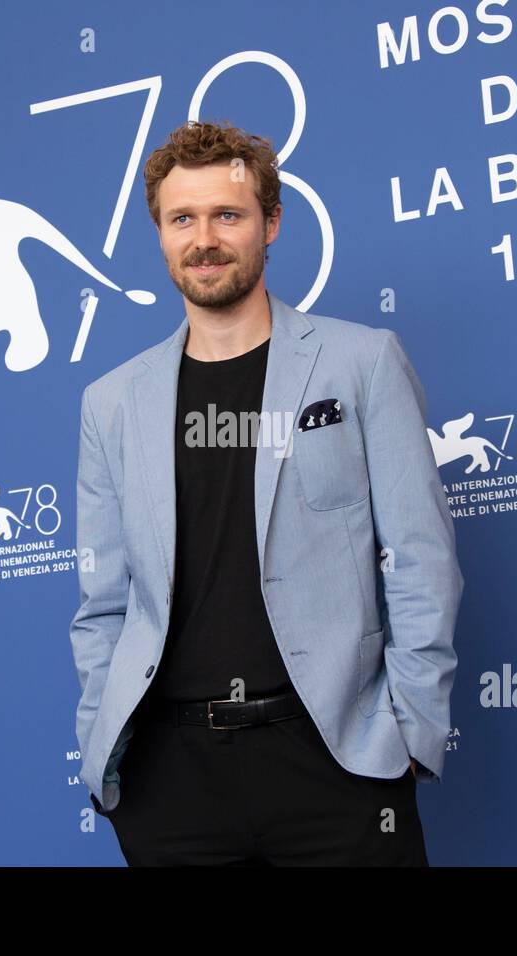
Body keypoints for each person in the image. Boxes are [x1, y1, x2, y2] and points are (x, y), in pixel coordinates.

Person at [69, 119, 464, 865]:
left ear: (271, 222)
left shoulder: (362, 362)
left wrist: (411, 729)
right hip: (170, 782)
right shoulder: (112, 403)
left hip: (335, 761)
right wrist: (103, 740)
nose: (205, 238)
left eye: (229, 214)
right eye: (182, 218)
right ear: (159, 232)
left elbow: (420, 558)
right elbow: (103, 603)